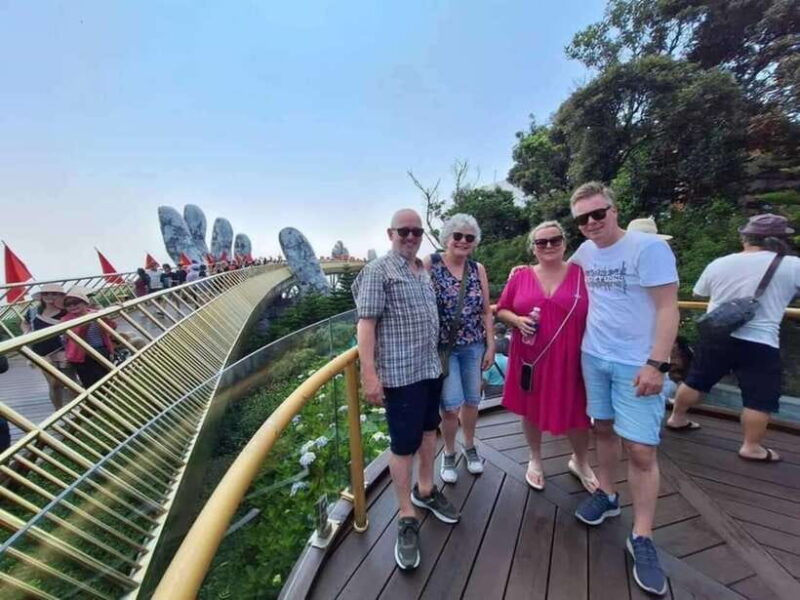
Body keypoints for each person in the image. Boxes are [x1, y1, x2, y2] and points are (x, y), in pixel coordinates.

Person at [569, 182, 679, 596]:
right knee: (602, 428)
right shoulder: (585, 252)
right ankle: (608, 494)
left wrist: (657, 362)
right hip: (593, 354)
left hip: (637, 362)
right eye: (583, 219)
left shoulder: (647, 249)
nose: (593, 223)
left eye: (599, 214)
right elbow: (562, 276)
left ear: (614, 210)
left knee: (641, 449)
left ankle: (643, 535)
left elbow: (669, 307)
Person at [353, 208, 459, 572]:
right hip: (400, 375)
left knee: (430, 431)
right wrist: (369, 374)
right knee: (403, 444)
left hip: (429, 368)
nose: (411, 237)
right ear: (390, 233)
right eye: (404, 231)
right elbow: (366, 325)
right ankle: (405, 514)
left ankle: (426, 490)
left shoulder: (420, 270)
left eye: (416, 231)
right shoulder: (378, 271)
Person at [667, 214, 800, 462]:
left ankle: (677, 418)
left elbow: (699, 292)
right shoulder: (791, 265)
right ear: (780, 240)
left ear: (746, 238)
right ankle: (751, 446)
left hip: (717, 334)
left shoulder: (721, 263)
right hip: (760, 340)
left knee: (697, 380)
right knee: (759, 396)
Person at [496, 221, 597, 493]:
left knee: (578, 412)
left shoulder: (583, 273)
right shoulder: (520, 276)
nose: (549, 246)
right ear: (534, 248)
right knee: (530, 408)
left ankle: (581, 461)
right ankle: (535, 459)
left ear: (565, 242)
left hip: (572, 357)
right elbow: (502, 309)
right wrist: (516, 320)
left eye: (555, 240)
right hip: (531, 357)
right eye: (542, 242)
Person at [424, 213, 494, 484]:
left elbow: (487, 310)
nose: (463, 241)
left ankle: (470, 445)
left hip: (473, 344)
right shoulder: (432, 263)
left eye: (469, 237)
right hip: (444, 348)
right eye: (458, 236)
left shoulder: (478, 269)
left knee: (472, 401)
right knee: (450, 405)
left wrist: (490, 345)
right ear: (447, 238)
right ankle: (450, 452)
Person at [21, 284, 76, 410]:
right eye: (46, 294)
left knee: (71, 381)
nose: (49, 296)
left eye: (54, 293)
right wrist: (26, 333)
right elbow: (24, 322)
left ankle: (78, 409)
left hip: (64, 350)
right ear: (41, 296)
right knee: (54, 384)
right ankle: (59, 410)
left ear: (62, 296)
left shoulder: (67, 311)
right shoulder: (33, 311)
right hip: (42, 352)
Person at [61, 288, 117, 389]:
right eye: (68, 305)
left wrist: (109, 314)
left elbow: (111, 327)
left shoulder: (95, 313)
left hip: (101, 350)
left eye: (76, 302)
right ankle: (94, 403)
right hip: (82, 356)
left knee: (106, 379)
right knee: (90, 383)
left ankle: (107, 400)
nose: (72, 306)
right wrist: (88, 320)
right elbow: (76, 335)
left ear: (85, 303)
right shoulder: (66, 320)